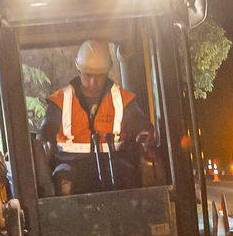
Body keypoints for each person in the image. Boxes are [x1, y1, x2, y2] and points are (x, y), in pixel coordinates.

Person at [34, 40, 155, 195]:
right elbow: (45, 134)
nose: (93, 82)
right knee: (63, 181)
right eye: (88, 75)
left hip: (114, 162)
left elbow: (142, 127)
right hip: (71, 165)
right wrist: (42, 144)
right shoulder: (60, 101)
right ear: (79, 71)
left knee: (130, 176)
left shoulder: (123, 100)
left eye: (99, 76)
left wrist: (145, 137)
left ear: (107, 72)